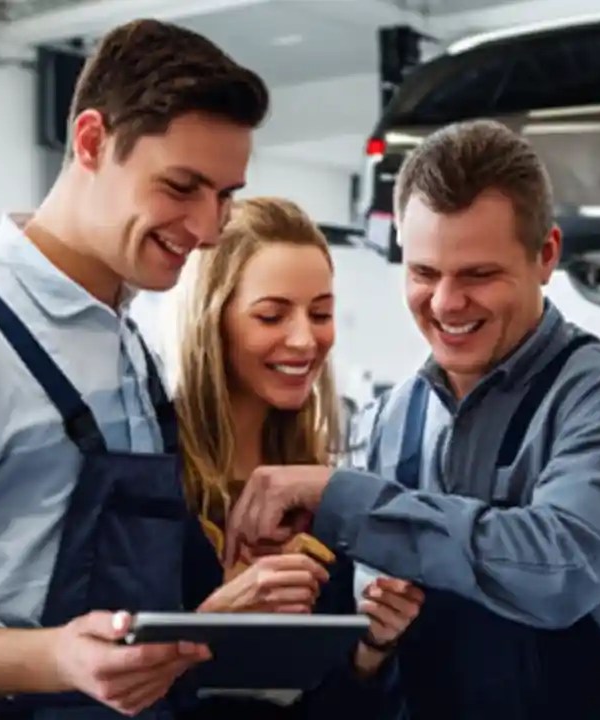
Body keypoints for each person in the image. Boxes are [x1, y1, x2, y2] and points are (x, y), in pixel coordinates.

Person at [0, 19, 313, 720]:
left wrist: (216, 595)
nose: (207, 229)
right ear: (92, 141)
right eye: (182, 187)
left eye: (223, 195)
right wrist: (54, 658)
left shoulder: (127, 341)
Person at [223, 119, 600, 719]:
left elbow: (556, 573)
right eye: (424, 273)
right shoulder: (391, 421)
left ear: (546, 255)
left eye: (478, 275)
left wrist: (340, 495)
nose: (446, 303)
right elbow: (368, 650)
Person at [161, 196, 423, 717]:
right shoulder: (150, 475)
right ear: (212, 320)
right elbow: (99, 683)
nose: (305, 339)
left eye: (320, 313)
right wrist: (216, 619)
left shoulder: (324, 490)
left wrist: (371, 649)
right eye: (272, 315)